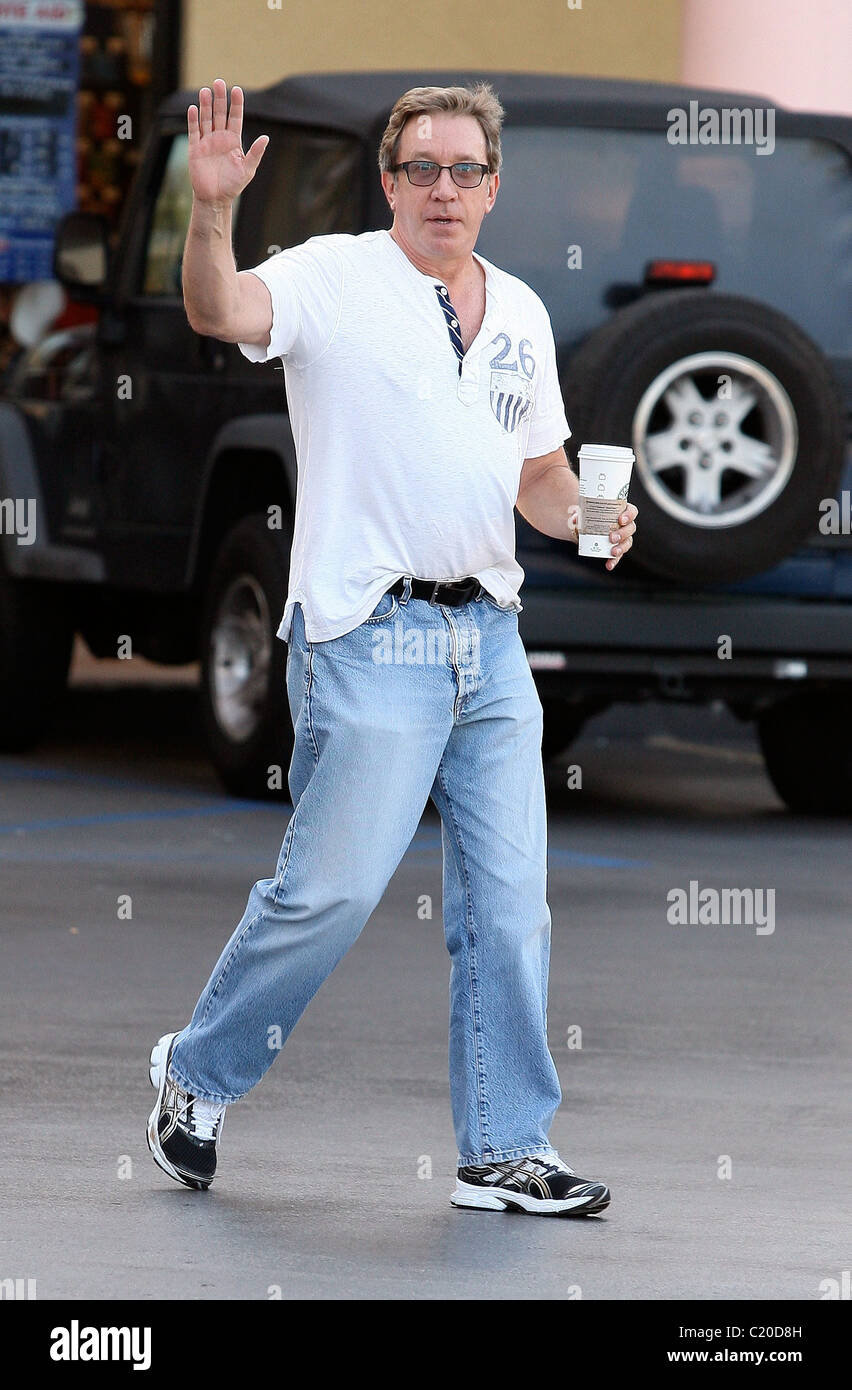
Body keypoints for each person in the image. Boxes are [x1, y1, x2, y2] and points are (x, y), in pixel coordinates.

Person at [147, 77, 638, 1217]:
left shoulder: (517, 311)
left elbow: (538, 480)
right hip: (369, 632)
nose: (444, 190)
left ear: (495, 186)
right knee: (331, 891)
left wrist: (594, 518)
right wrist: (211, 211)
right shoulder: (332, 276)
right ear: (389, 180)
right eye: (421, 168)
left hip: (491, 639)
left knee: (511, 906)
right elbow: (221, 313)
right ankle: (195, 1074)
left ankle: (507, 1147)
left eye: (466, 171)